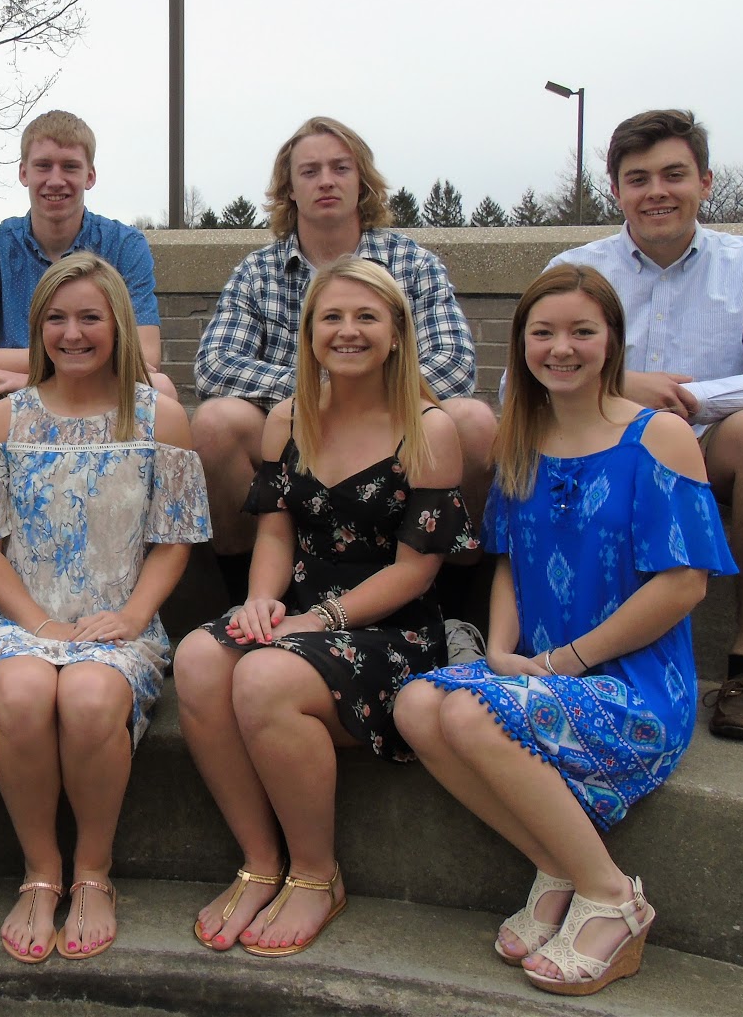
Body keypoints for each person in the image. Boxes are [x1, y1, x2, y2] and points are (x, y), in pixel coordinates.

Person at [394, 265, 736, 997]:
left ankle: (612, 897)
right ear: (522, 346)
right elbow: (512, 563)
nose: (562, 348)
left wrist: (562, 661)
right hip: (541, 667)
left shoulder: (661, 437)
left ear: (612, 340)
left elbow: (685, 583)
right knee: (416, 705)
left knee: (467, 709)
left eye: (583, 330)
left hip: (635, 686)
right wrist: (504, 649)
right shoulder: (523, 439)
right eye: (543, 333)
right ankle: (556, 863)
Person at [174, 257, 475, 958]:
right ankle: (260, 861)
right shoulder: (288, 417)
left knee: (263, 675)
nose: (347, 331)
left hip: (390, 629)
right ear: (309, 333)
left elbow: (414, 571)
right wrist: (258, 601)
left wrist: (317, 622)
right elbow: (276, 530)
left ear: (398, 333)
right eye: (330, 318)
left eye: (366, 317)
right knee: (196, 658)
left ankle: (316, 874)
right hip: (302, 611)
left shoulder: (429, 428)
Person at [0, 253, 210, 964]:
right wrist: (36, 622)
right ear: (37, 330)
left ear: (118, 324)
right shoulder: (0, 421)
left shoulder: (165, 420)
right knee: (23, 691)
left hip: (120, 617)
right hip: (18, 615)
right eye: (56, 318)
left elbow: (173, 543)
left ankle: (93, 870)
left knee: (91, 698)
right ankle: (39, 871)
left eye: (90, 316)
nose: (73, 333)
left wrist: (129, 616)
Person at [549, 109, 743, 741]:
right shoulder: (577, 268)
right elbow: (517, 384)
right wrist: (616, 386)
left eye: (674, 174)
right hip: (603, 449)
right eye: (638, 178)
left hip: (708, 451)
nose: (656, 192)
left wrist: (678, 399)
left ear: (706, 182)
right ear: (616, 191)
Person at [192, 117, 494, 607]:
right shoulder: (258, 270)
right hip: (301, 427)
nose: (326, 180)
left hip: (395, 422)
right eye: (309, 171)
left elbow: (455, 364)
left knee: (474, 422)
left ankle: (459, 607)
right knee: (214, 422)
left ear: (362, 182)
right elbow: (215, 366)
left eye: (340, 168)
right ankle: (254, 596)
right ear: (289, 189)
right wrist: (321, 394)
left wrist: (367, 394)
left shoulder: (412, 263)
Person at [0, 110, 174, 607]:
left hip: (86, 381)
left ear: (91, 175)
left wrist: (31, 371)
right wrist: (35, 376)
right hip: (12, 397)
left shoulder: (124, 246)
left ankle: (135, 585)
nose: (55, 180)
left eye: (69, 166)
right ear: (22, 172)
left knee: (161, 392)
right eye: (42, 166)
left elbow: (145, 354)